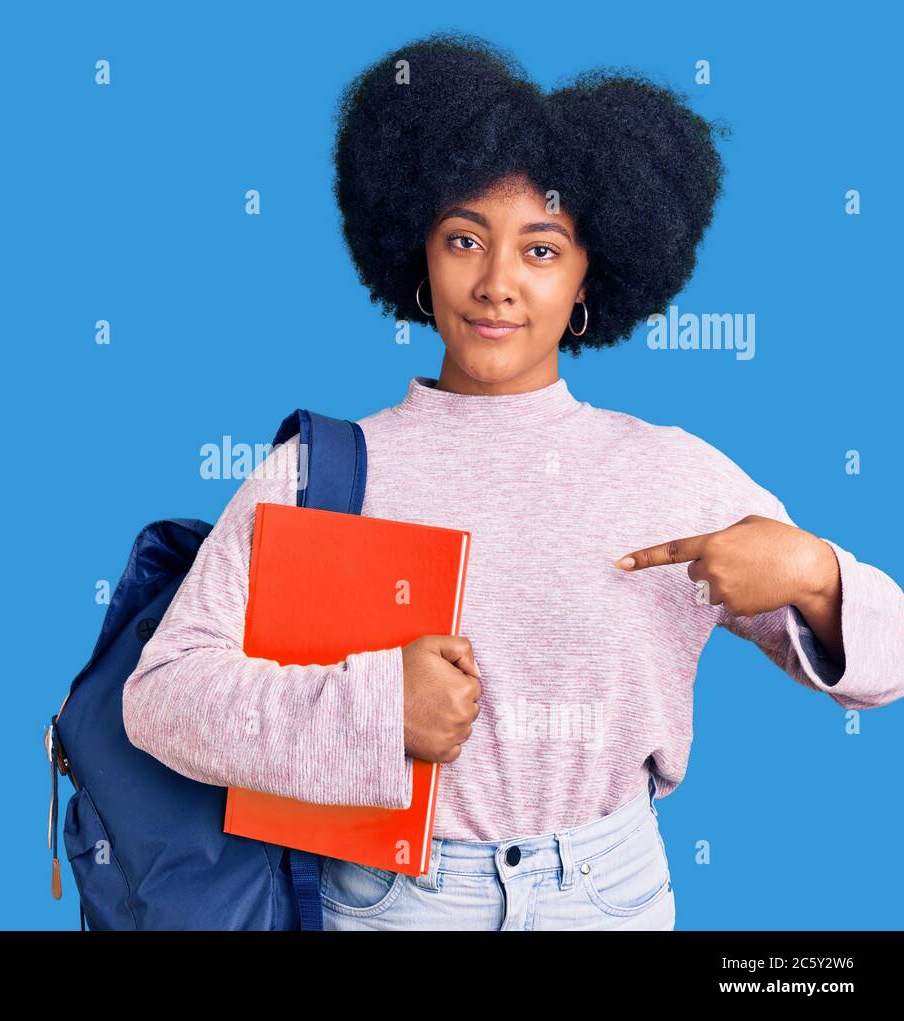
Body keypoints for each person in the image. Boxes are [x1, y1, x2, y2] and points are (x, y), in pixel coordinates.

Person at [121, 31, 904, 930]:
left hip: (611, 892)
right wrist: (376, 708)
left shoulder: (670, 472)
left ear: (587, 281)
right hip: (395, 901)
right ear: (417, 256)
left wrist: (814, 575)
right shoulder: (320, 471)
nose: (497, 284)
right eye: (464, 239)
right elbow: (162, 698)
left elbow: (891, 666)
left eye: (541, 250)